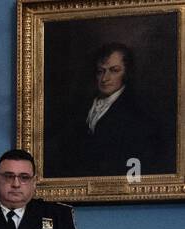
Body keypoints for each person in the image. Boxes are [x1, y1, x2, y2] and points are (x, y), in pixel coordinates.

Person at [48, 42, 171, 178]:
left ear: (127, 73)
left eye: (114, 70)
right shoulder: (81, 106)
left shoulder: (136, 111)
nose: (105, 79)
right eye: (101, 71)